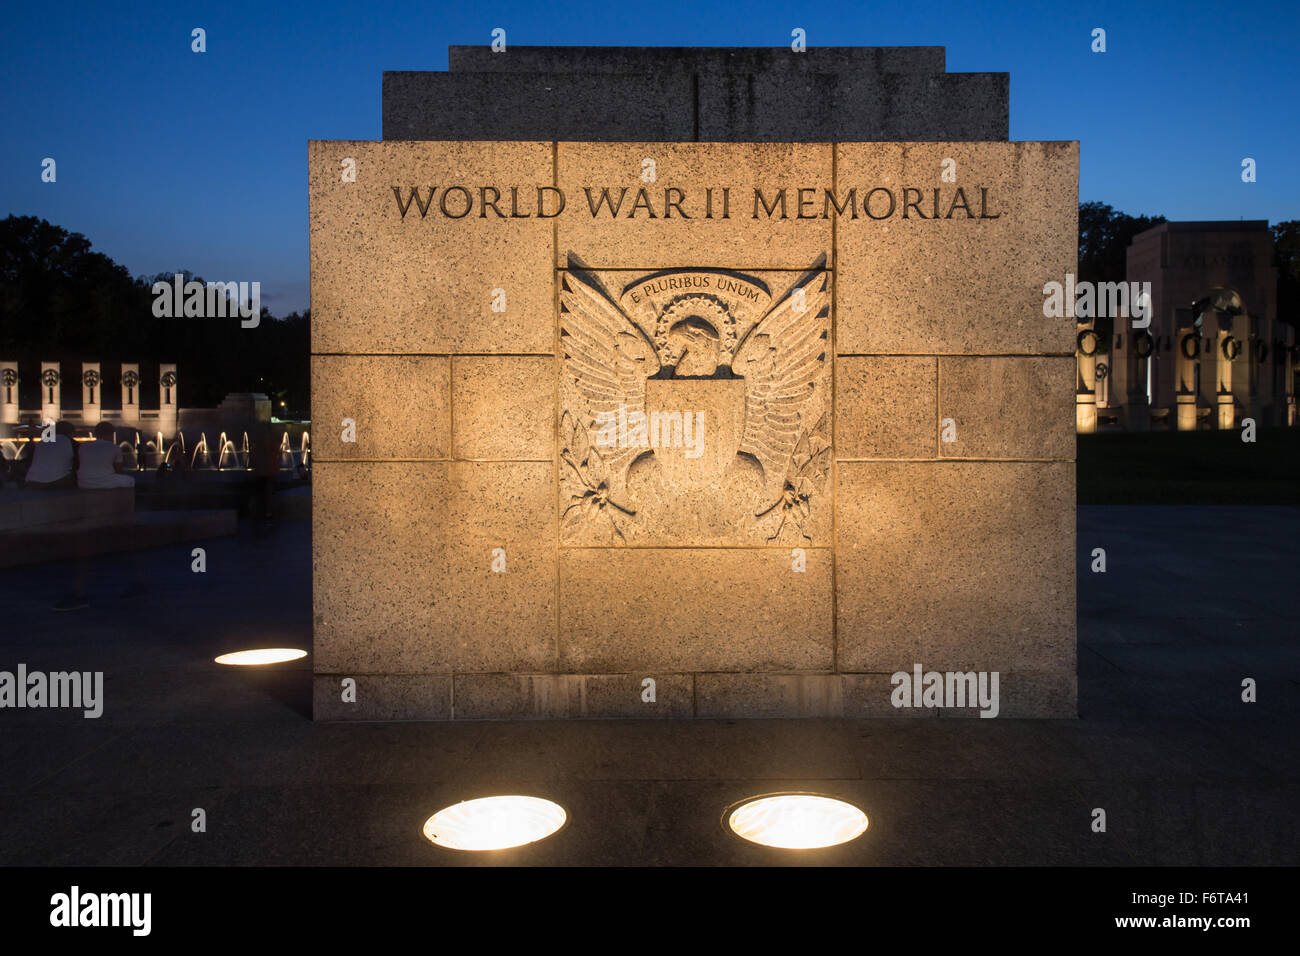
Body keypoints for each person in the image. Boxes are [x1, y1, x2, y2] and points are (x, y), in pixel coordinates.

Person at [77, 421, 135, 489]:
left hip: (83, 482)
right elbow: (119, 470)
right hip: (105, 481)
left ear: (96, 434)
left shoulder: (83, 446)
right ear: (112, 434)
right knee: (130, 480)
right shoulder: (115, 447)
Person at [24, 420, 78, 489]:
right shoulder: (70, 442)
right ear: (70, 432)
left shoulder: (41, 442)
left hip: (32, 481)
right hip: (57, 482)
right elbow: (79, 462)